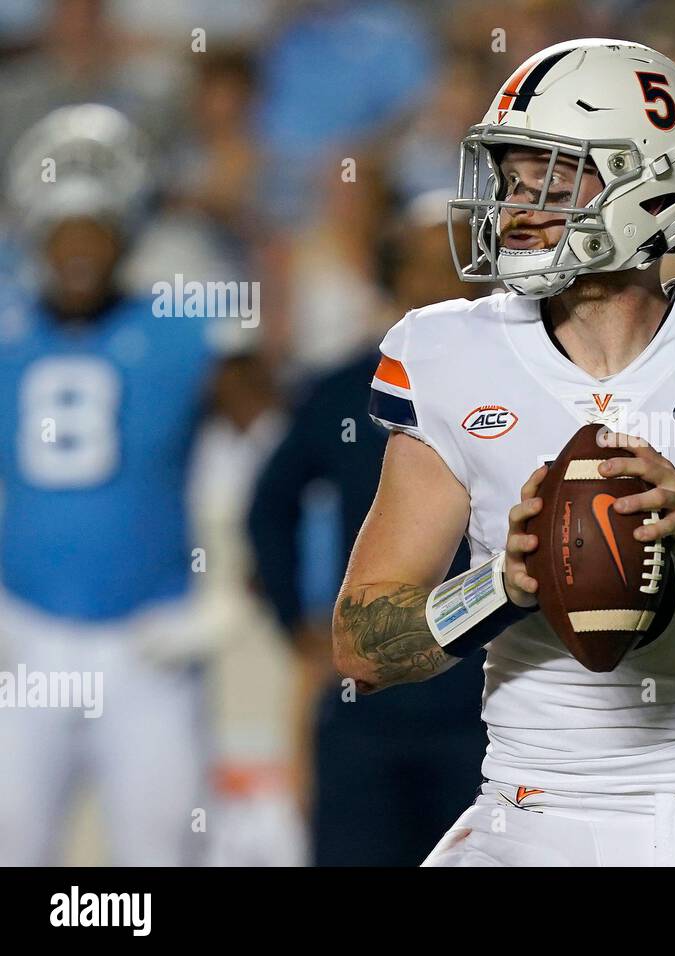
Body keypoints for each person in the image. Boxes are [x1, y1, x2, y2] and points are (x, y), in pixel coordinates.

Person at [330, 38, 675, 867]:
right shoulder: (447, 352)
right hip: (529, 809)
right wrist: (503, 583)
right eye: (512, 178)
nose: (518, 204)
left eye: (553, 178)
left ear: (653, 182)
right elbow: (358, 645)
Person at [0, 105, 231, 864]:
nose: (77, 253)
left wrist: (232, 585)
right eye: (61, 232)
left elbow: (268, 455)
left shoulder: (183, 325)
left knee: (161, 853)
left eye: (94, 231)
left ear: (127, 236)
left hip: (149, 638)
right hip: (22, 635)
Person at [247, 194, 487, 866]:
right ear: (389, 277)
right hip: (369, 700)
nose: (439, 282)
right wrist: (298, 627)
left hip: (491, 704)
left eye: (457, 263)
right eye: (419, 265)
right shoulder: (344, 390)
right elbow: (269, 507)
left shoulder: (534, 387)